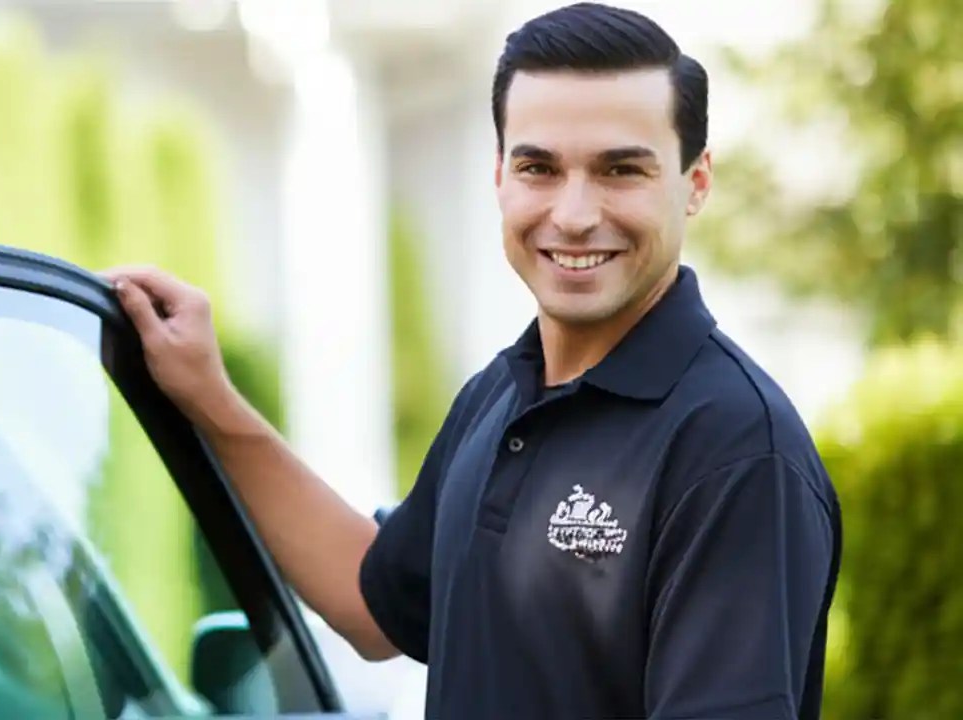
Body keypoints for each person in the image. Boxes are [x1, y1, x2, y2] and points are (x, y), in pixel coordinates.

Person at [103, 3, 842, 718]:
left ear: (695, 184)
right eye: (539, 168)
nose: (576, 213)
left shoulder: (737, 448)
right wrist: (209, 398)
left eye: (621, 171)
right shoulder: (499, 395)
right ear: (499, 177)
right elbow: (373, 604)